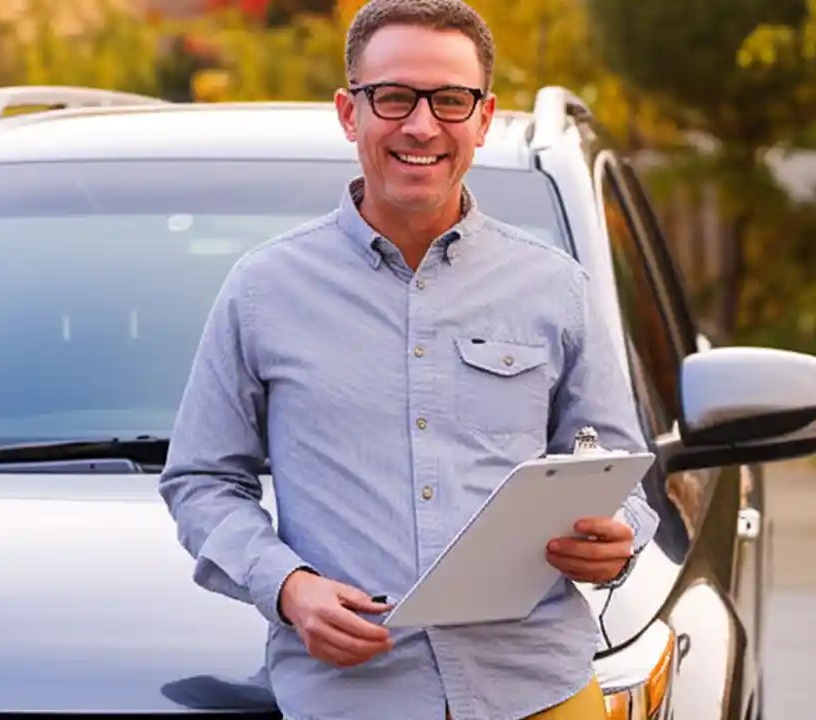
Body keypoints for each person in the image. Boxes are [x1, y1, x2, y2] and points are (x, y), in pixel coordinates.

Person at [158, 1, 659, 718]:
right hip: (353, 698)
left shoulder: (557, 289)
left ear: (482, 119)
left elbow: (620, 474)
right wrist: (289, 585)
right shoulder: (263, 291)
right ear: (348, 112)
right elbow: (202, 480)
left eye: (450, 100)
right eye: (392, 97)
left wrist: (618, 541)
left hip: (541, 692)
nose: (422, 126)